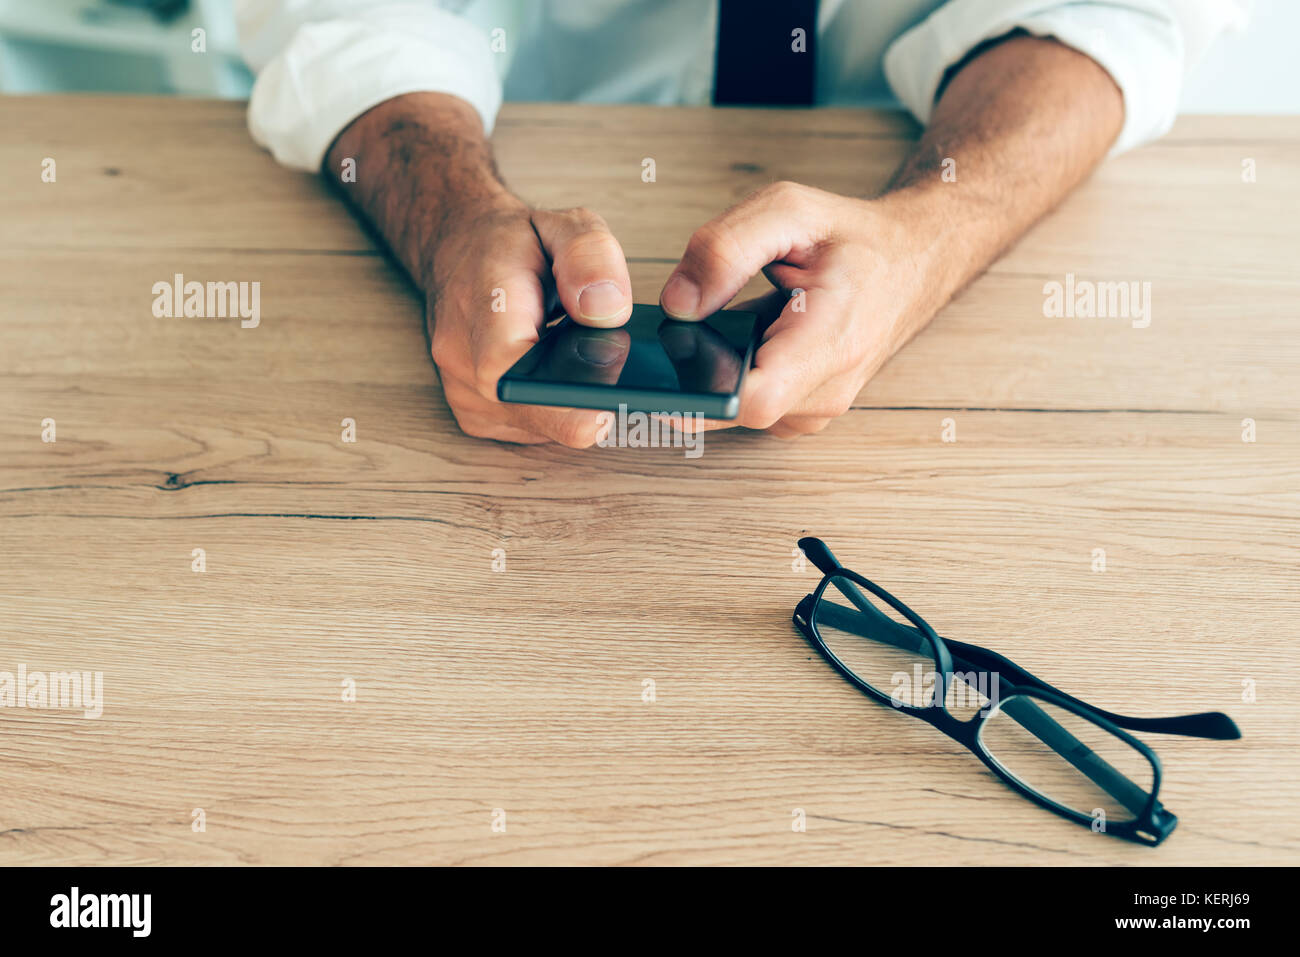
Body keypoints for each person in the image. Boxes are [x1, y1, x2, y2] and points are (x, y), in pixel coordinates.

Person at [234, 0, 1246, 445]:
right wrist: (454, 220)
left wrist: (927, 236)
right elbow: (342, 13)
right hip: (530, 133)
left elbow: (1117, 11)